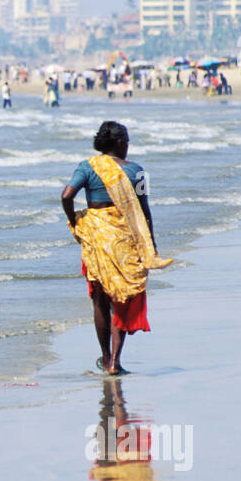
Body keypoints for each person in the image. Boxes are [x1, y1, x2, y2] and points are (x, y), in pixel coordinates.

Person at [62, 122, 172, 375]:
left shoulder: (87, 167)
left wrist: (74, 221)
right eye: (127, 141)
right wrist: (150, 244)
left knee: (100, 300)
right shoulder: (138, 171)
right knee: (121, 299)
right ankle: (115, 363)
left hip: (97, 240)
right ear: (120, 143)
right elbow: (143, 209)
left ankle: (104, 356)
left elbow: (67, 195)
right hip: (125, 241)